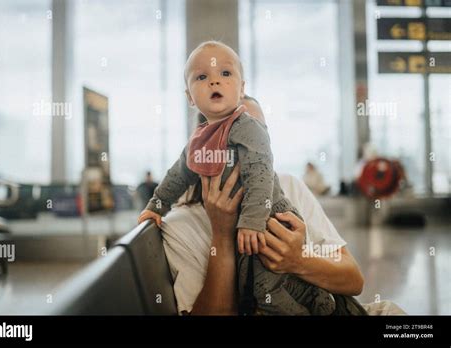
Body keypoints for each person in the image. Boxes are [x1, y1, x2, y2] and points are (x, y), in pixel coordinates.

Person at [139, 40, 367, 315]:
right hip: (249, 245)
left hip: (270, 220)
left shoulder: (284, 177)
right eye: (202, 77)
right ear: (190, 97)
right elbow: (178, 173)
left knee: (269, 286)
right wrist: (157, 205)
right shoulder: (181, 217)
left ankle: (321, 303)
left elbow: (353, 279)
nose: (214, 82)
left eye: (225, 74)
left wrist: (296, 257)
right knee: (262, 291)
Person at [160, 94, 406, 316]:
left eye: (260, 137)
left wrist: (298, 260)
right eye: (238, 138)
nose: (254, 152)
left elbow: (353, 281)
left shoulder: (289, 187)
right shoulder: (179, 226)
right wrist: (222, 236)